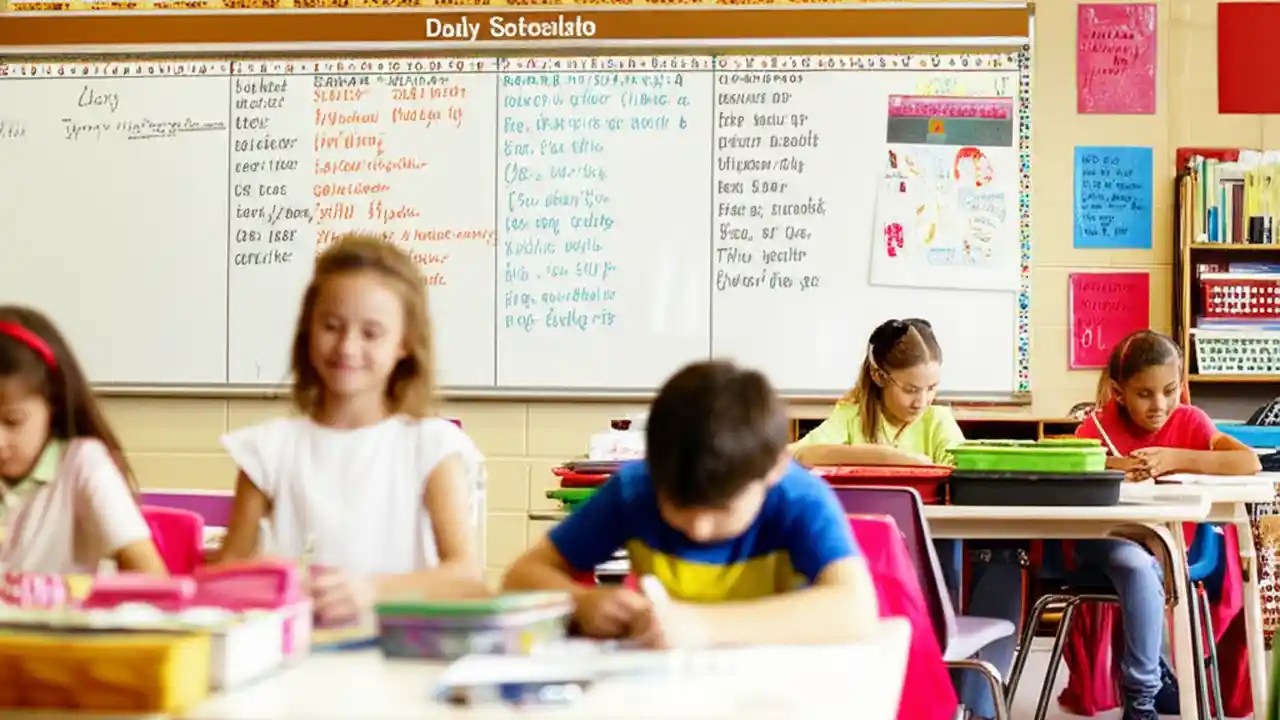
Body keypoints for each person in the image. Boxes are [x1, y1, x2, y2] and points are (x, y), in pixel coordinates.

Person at [503, 360, 878, 648]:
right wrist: (582, 601)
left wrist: (702, 626)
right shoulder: (636, 489)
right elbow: (520, 577)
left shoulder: (797, 499)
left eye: (722, 510)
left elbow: (856, 610)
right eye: (678, 505)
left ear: (773, 469)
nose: (698, 528)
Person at [216, 234, 488, 626]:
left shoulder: (431, 446)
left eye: (371, 333)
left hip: (399, 661)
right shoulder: (268, 450)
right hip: (297, 663)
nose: (346, 347)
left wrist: (372, 591)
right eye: (331, 326)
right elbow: (229, 575)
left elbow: (466, 577)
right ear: (308, 329)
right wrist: (270, 581)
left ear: (405, 344)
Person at [790, 317, 1004, 717]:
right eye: (909, 388)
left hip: (931, 565)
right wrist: (897, 458)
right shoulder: (851, 416)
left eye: (931, 388)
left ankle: (955, 697)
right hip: (865, 577)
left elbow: (963, 472)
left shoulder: (937, 420)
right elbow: (801, 454)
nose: (921, 400)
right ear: (879, 375)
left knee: (982, 558)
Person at [1066, 330, 1259, 719]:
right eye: (1145, 394)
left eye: (1170, 390)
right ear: (1119, 393)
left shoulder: (1190, 420)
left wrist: (1175, 458)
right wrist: (1112, 465)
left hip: (1168, 544)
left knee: (1148, 566)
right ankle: (1142, 698)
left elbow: (1248, 462)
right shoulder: (1095, 427)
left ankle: (1158, 679)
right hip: (1106, 541)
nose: (1160, 404)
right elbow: (1071, 471)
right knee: (1139, 567)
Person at [0, 305, 165, 575]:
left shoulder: (82, 464)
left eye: (13, 421)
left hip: (61, 617)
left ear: (53, 403)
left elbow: (151, 574)